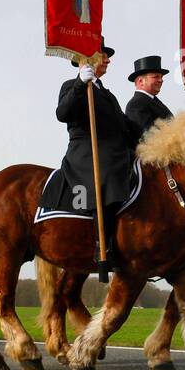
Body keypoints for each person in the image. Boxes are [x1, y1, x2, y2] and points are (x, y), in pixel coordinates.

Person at [39, 41, 139, 270]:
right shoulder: (71, 85)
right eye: (104, 55)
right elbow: (62, 113)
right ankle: (103, 247)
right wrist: (79, 84)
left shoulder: (106, 92)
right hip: (88, 152)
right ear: (89, 58)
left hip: (115, 151)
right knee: (108, 174)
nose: (108, 59)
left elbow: (125, 126)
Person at [124, 55, 173, 145]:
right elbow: (148, 135)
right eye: (156, 77)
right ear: (141, 81)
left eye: (161, 77)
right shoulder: (136, 105)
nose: (161, 80)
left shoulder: (153, 101)